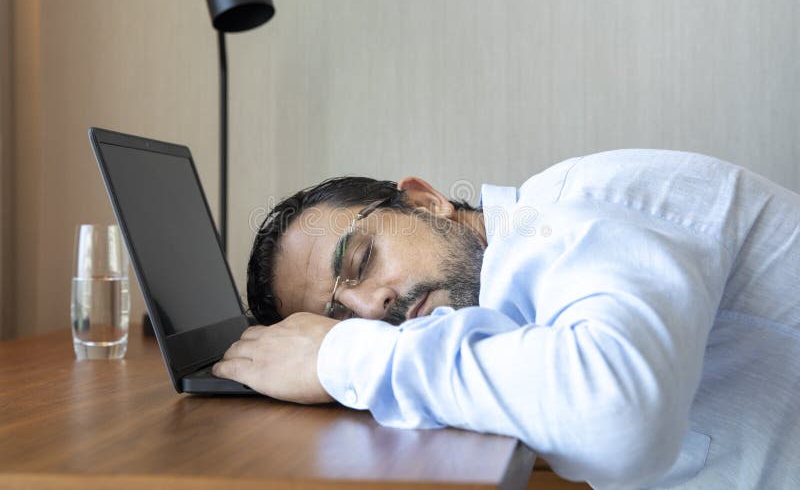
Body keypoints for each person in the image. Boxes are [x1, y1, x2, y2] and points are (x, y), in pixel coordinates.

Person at [212, 149, 800, 489]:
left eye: (363, 259)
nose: (371, 309)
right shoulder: (509, 323)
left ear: (423, 201)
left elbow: (618, 415)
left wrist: (336, 355)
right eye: (338, 319)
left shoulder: (570, 210)